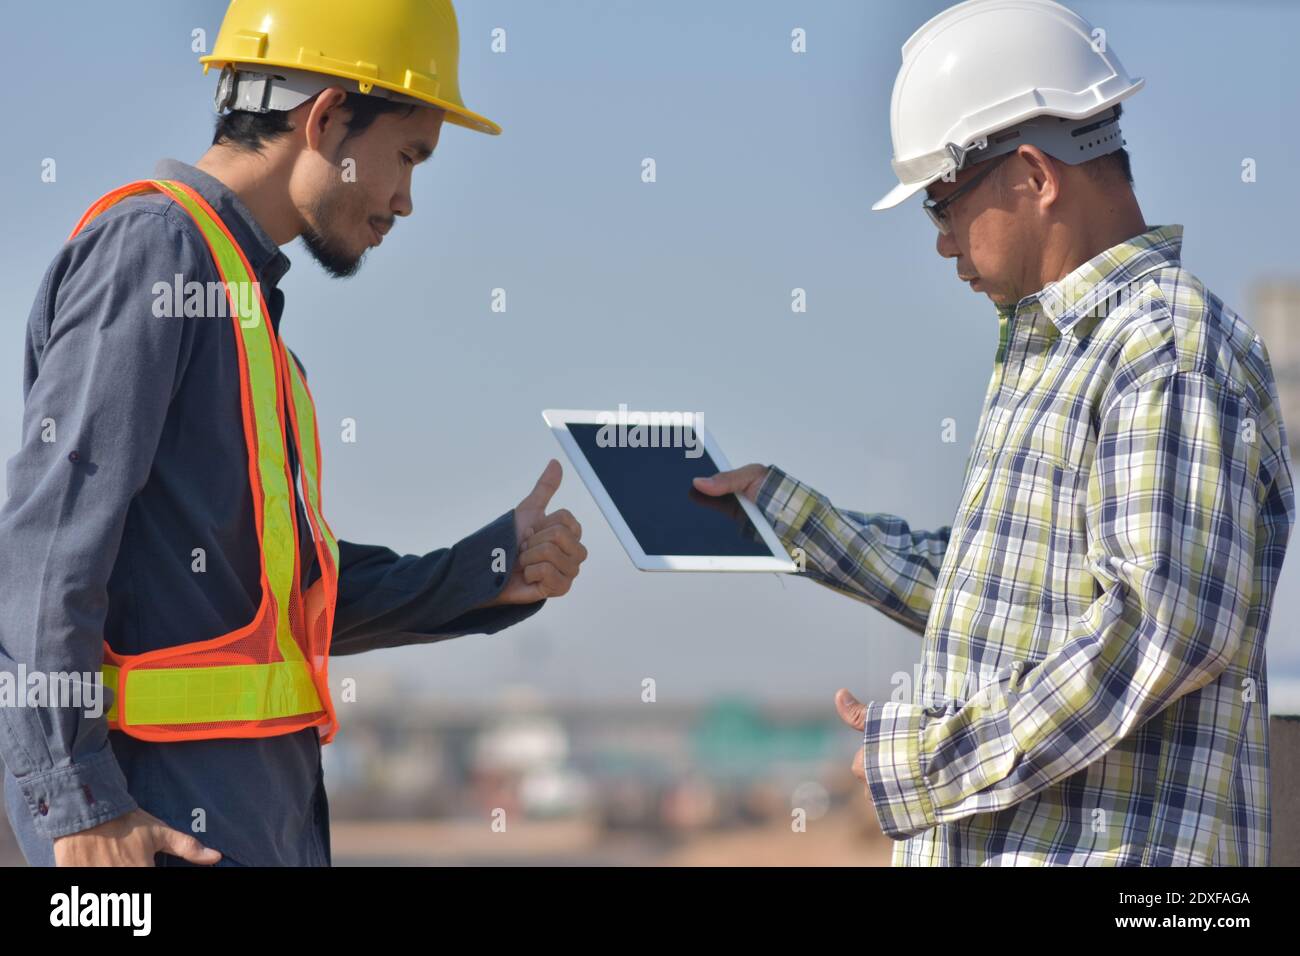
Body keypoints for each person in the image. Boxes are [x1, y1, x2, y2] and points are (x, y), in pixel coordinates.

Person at [695, 0, 1294, 865]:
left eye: (940, 204)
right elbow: (1009, 607)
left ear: (1034, 176)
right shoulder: (1064, 353)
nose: (940, 244)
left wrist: (929, 761)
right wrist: (786, 518)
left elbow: (1160, 632)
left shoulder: (1163, 346)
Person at [0, 0, 587, 867]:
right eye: (408, 156)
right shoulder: (156, 253)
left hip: (250, 825)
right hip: (156, 831)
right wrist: (78, 805)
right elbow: (46, 550)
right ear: (326, 118)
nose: (406, 199)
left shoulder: (242, 312)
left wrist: (492, 568)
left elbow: (283, 606)